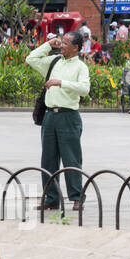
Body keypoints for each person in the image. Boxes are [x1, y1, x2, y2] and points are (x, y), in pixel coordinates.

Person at [27, 31, 90, 211]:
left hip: (68, 116)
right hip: (49, 116)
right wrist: (48, 44)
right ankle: (51, 198)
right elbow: (31, 59)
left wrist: (61, 82)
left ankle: (77, 197)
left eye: (65, 43)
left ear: (76, 47)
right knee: (48, 159)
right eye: (61, 42)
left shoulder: (80, 67)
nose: (61, 45)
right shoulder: (54, 61)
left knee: (71, 159)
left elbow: (84, 89)